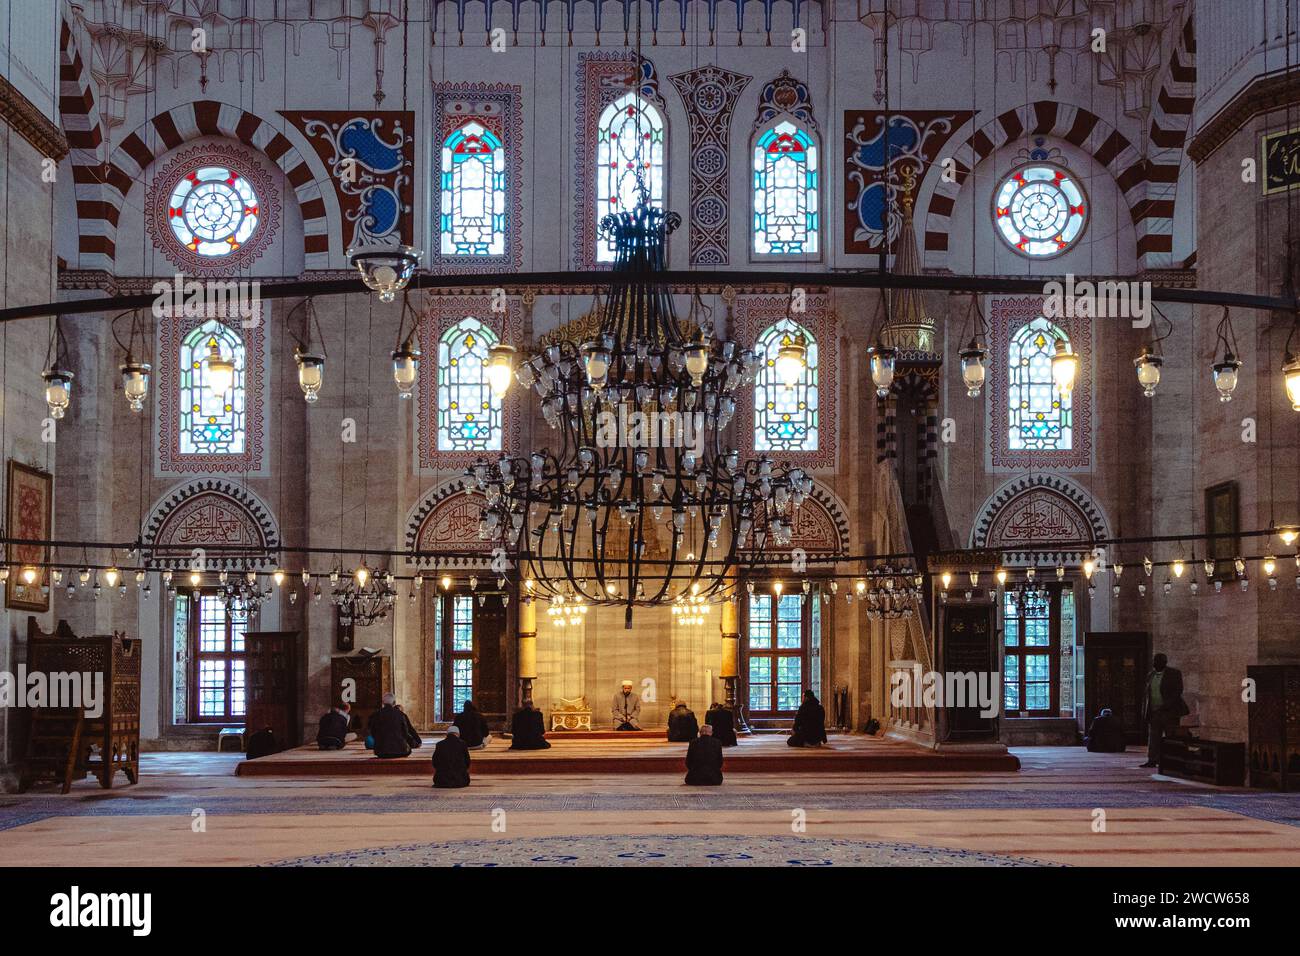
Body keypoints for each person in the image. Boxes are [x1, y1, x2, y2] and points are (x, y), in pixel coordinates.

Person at [1141, 653, 1189, 768]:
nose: (1154, 663)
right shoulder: (1150, 675)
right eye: (1154, 661)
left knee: (1171, 737)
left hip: (1169, 712)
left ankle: (1172, 761)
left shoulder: (1174, 674)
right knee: (1153, 737)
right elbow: (1147, 694)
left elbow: (1177, 691)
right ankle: (1152, 759)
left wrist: (1165, 705)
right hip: (1154, 712)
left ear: (1164, 662)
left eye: (1157, 661)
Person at [368, 693, 422, 758]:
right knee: (408, 749)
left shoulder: (375, 715)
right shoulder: (401, 715)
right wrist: (417, 742)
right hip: (400, 751)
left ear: (383, 703)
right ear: (394, 703)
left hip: (381, 752)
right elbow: (406, 732)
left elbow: (373, 732)